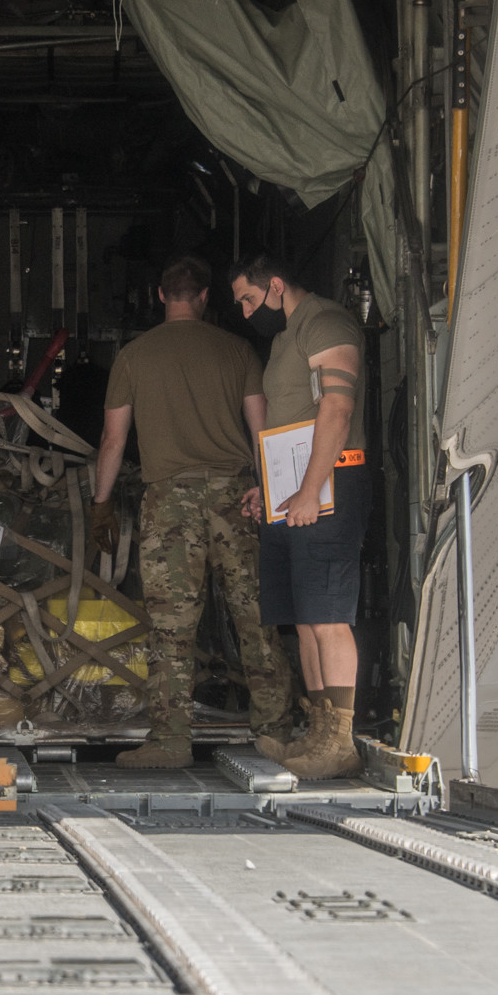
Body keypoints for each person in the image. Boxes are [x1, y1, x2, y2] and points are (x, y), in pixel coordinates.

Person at [93, 257, 293, 767]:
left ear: (161, 296)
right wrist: (271, 494)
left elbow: (114, 440)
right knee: (256, 616)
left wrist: (101, 505)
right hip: (237, 497)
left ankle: (170, 742)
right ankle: (275, 733)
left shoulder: (134, 356)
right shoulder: (237, 350)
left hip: (169, 502)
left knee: (172, 627)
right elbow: (263, 431)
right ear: (205, 297)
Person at [231, 253, 369, 781]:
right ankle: (318, 733)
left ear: (276, 284)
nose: (246, 313)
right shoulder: (286, 337)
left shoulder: (326, 322)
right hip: (296, 489)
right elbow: (291, 420)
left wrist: (310, 489)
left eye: (249, 299)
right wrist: (268, 489)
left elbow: (337, 408)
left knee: (328, 615)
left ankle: (340, 742)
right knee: (306, 616)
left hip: (331, 483)